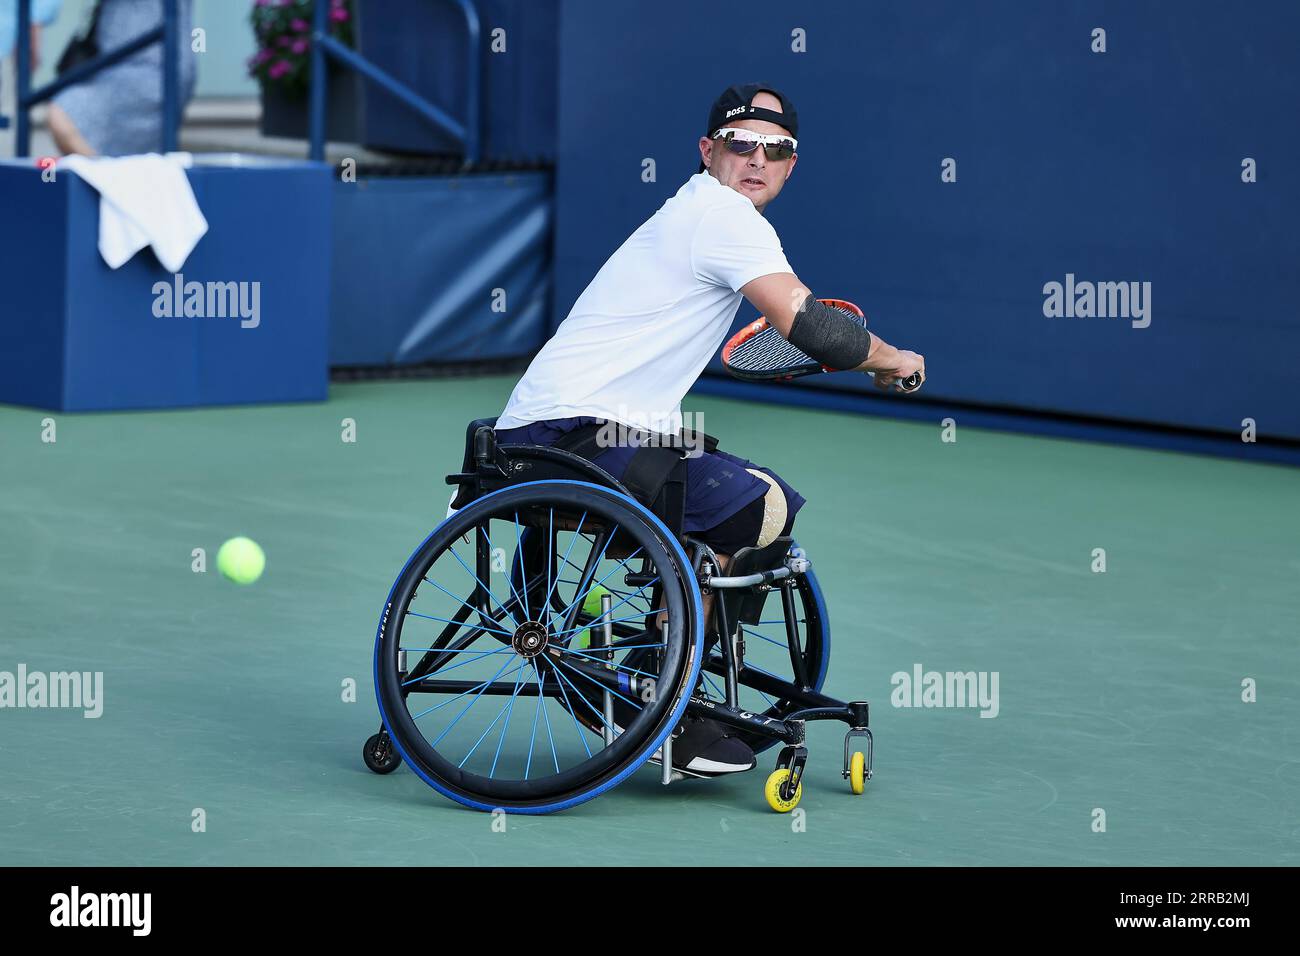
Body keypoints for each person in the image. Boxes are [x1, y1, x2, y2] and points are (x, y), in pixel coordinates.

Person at [493, 83, 926, 776]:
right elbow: (813, 327)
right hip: (577, 435)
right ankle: (671, 708)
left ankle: (652, 681)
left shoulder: (695, 214)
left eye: (775, 149)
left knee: (731, 493)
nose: (757, 158)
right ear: (708, 151)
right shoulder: (724, 216)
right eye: (740, 143)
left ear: (791, 164)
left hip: (543, 431)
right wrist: (890, 358)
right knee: (764, 505)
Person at [47, 0, 195, 156]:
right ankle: (108, 175)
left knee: (63, 114)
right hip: (131, 64)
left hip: (151, 66)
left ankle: (106, 178)